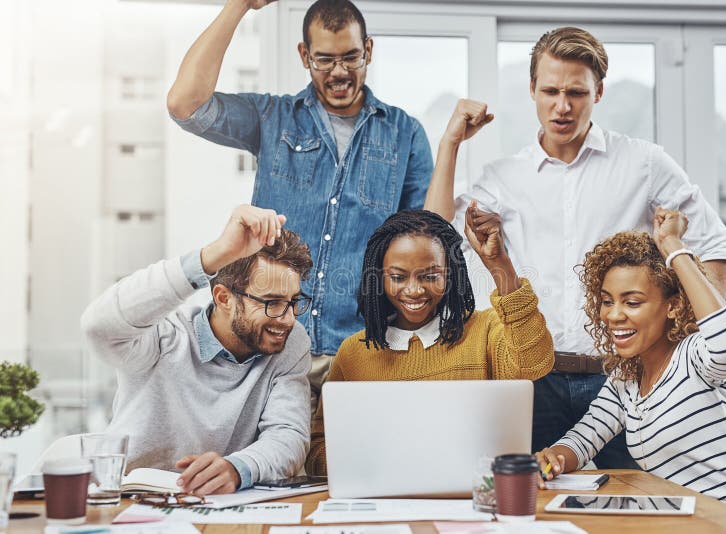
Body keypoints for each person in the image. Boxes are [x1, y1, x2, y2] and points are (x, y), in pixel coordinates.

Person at [424, 26, 726, 468]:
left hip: (621, 377)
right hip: (534, 378)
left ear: (599, 92)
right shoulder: (504, 177)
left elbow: (720, 246)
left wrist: (680, 341)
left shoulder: (643, 164)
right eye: (550, 90)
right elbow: (433, 240)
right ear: (532, 89)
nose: (562, 106)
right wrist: (450, 143)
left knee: (633, 504)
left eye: (576, 92)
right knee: (528, 503)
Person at [167, 0, 434, 416]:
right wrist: (239, 6)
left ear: (369, 50)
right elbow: (185, 104)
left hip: (359, 350)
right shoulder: (273, 118)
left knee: (349, 475)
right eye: (324, 60)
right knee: (274, 469)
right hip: (273, 344)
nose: (340, 72)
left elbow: (425, 237)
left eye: (350, 57)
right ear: (304, 56)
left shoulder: (405, 133)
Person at [536, 208, 726, 524]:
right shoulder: (626, 381)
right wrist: (554, 458)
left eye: (632, 302)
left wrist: (673, 246)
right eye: (608, 301)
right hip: (699, 523)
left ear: (673, 306)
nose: (613, 315)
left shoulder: (697, 357)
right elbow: (583, 439)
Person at [81, 205, 312, 495]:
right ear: (224, 298)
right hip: (131, 502)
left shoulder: (291, 341)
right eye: (272, 303)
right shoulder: (163, 336)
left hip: (218, 510)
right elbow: (97, 326)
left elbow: (288, 434)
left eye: (293, 301)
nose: (288, 318)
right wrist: (209, 258)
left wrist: (238, 468)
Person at [305, 207, 555, 475]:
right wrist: (384, 463)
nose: (414, 290)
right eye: (398, 277)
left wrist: (498, 264)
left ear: (450, 274)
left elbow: (534, 363)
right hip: (385, 499)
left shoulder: (484, 330)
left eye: (430, 276)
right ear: (379, 277)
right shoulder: (354, 352)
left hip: (471, 499)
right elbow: (319, 452)